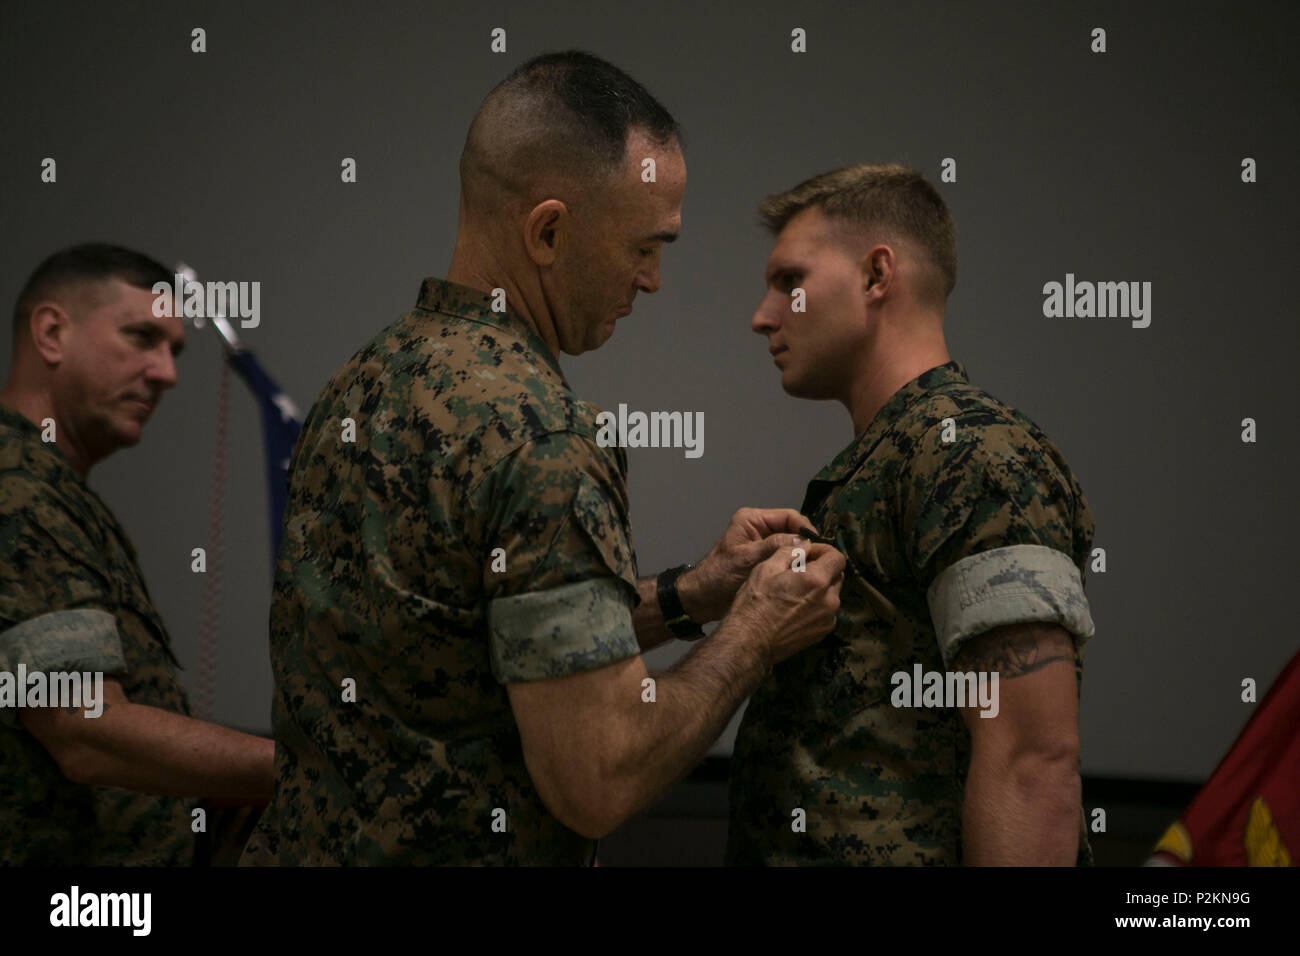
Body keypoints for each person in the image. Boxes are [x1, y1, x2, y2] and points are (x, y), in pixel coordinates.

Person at [241, 51, 844, 866]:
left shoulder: (362, 381)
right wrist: (755, 635)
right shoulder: (541, 436)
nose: (655, 280)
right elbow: (598, 777)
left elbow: (466, 634)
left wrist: (693, 596)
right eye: (644, 247)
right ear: (549, 231)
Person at [728, 163, 1097, 865]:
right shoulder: (893, 458)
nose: (762, 315)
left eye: (791, 282)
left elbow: (1033, 763)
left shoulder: (975, 453)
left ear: (876, 276)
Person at [0, 243, 275, 865]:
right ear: (51, 333)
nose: (167, 374)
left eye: (173, 350)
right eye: (142, 337)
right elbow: (85, 731)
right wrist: (306, 771)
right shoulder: (15, 487)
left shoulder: (52, 487)